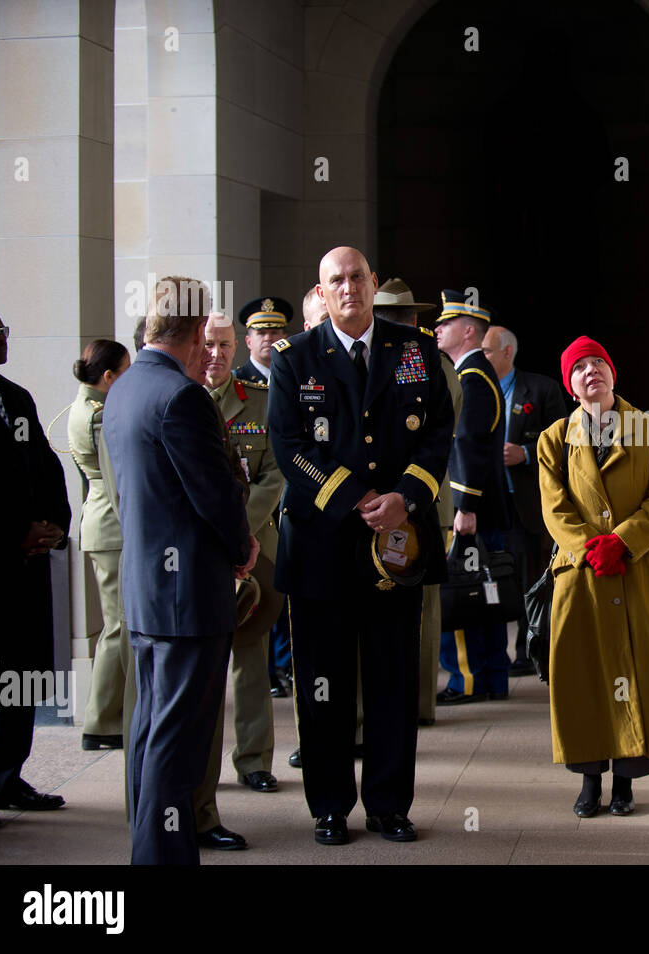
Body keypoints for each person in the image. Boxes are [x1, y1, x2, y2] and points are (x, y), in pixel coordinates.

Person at [268, 247, 453, 845]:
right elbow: (288, 444)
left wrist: (405, 496)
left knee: (393, 679)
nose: (347, 288)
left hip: (395, 543)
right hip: (321, 546)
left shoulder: (416, 349)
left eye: (356, 277)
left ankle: (389, 804)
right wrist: (350, 495)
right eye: (334, 281)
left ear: (373, 283)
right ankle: (328, 805)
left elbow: (439, 435)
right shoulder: (294, 358)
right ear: (320, 293)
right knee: (323, 684)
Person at [103, 277, 258, 864]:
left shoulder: (124, 388)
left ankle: (150, 851)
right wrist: (242, 547)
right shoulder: (182, 396)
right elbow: (213, 494)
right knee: (177, 746)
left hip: (148, 592)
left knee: (148, 736)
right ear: (197, 333)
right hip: (186, 598)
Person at [537, 336, 649, 817]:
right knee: (584, 675)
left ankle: (625, 782)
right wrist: (590, 547)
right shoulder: (554, 439)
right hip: (580, 574)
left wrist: (622, 542)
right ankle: (588, 780)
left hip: (638, 569)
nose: (590, 372)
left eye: (597, 363)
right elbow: (554, 508)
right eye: (579, 368)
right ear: (570, 384)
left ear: (612, 372)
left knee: (637, 671)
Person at [189, 312, 286, 851]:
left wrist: (239, 534)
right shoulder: (183, 399)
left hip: (255, 552)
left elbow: (275, 474)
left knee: (253, 661)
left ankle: (253, 760)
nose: (217, 355)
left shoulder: (259, 399)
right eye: (210, 344)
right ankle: (201, 776)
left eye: (224, 345)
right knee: (203, 670)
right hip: (202, 559)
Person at [0, 305, 71, 829]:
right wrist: (15, 534)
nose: (3, 339)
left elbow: (47, 467)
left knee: (20, 678)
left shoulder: (15, 398)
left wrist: (55, 524)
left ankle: (8, 778)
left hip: (27, 567)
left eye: (5, 330)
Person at [372, 278, 458, 725]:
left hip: (422, 500)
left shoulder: (430, 360)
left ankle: (420, 702)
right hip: (375, 502)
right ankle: (398, 702)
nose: (387, 322)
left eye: (392, 315)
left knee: (421, 604)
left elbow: (443, 427)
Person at [434, 290, 512, 705]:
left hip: (471, 509)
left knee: (463, 595)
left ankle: (468, 679)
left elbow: (468, 445)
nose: (437, 329)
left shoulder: (471, 378)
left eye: (445, 324)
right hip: (484, 506)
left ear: (468, 331)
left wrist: (464, 506)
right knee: (486, 593)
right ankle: (493, 677)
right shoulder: (478, 373)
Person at [482, 324, 567, 677]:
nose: (481, 357)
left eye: (486, 351)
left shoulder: (541, 388)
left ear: (507, 352)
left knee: (528, 581)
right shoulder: (473, 387)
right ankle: (493, 655)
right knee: (490, 583)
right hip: (486, 505)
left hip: (525, 504)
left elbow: (565, 440)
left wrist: (527, 454)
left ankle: (527, 649)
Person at [67, 338, 131, 751]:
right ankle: (104, 720)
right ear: (108, 378)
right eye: (124, 372)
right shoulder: (99, 415)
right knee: (119, 626)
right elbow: (115, 480)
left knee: (117, 625)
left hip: (103, 525)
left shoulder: (85, 406)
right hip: (112, 528)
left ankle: (107, 717)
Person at [234, 297, 292, 384]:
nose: (268, 338)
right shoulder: (236, 380)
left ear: (284, 339)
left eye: (274, 332)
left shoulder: (294, 377)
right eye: (261, 333)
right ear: (248, 341)